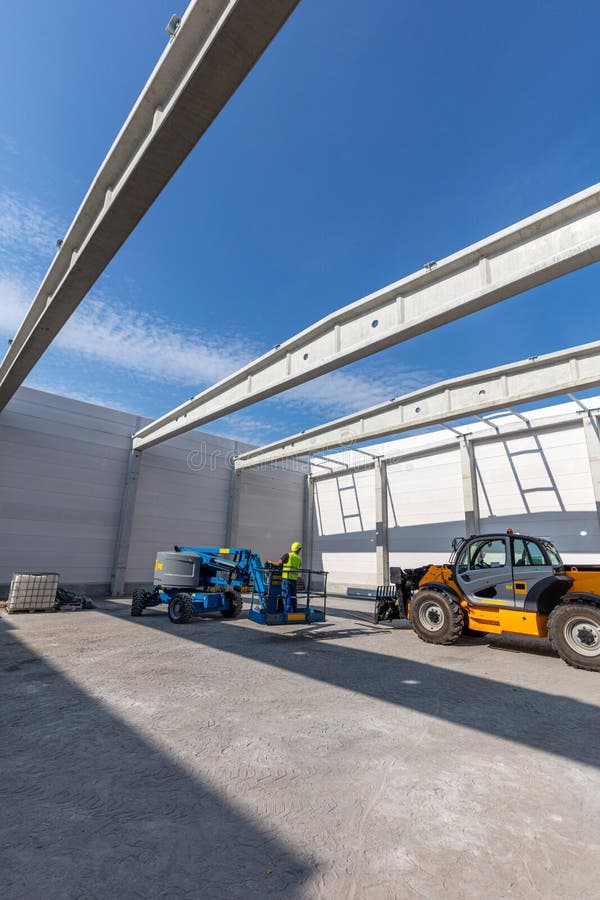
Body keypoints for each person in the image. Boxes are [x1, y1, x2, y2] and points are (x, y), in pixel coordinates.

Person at [266, 541, 302, 613]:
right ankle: (294, 611)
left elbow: (278, 563)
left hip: (286, 579)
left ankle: (287, 612)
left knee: (286, 595)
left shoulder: (287, 555)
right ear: (298, 550)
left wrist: (270, 562)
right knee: (293, 596)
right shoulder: (299, 558)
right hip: (294, 580)